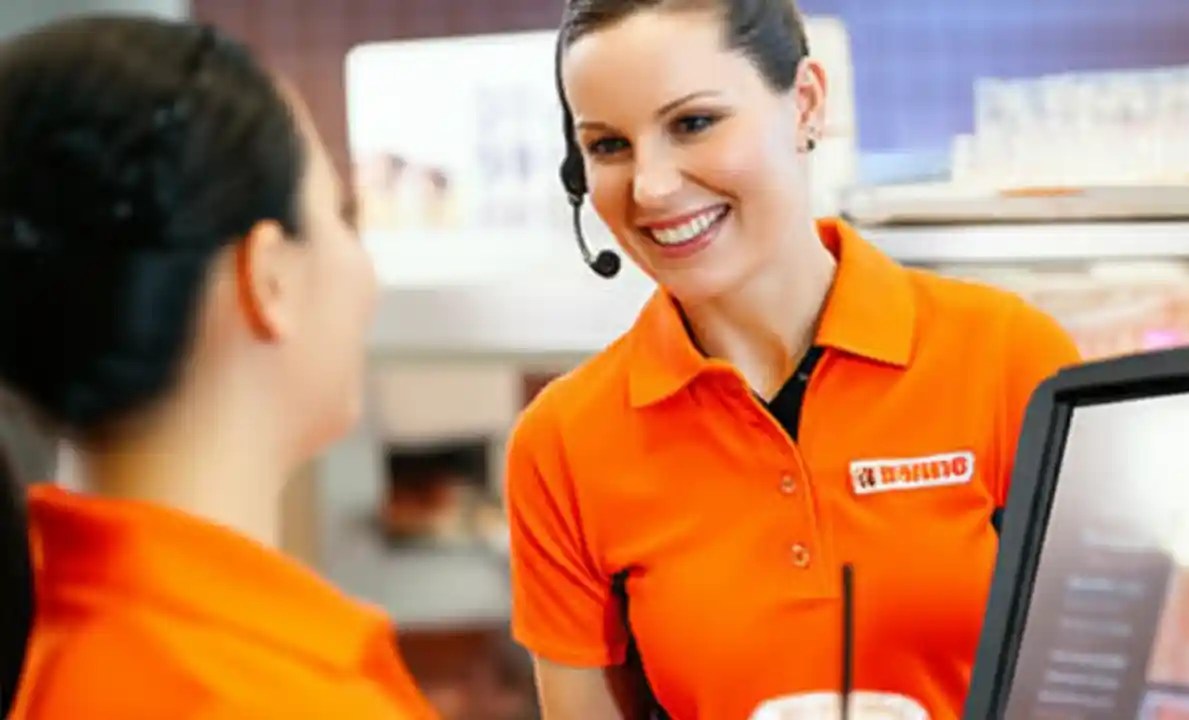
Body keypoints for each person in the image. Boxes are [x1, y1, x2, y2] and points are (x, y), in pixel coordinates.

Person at [503, 1, 1082, 718]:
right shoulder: (563, 444)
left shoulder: (1007, 359)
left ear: (805, 103)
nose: (650, 186)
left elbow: (1098, 672)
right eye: (608, 146)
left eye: (693, 123)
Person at [0, 16, 438, 719]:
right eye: (340, 215)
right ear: (269, 279)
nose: (366, 274)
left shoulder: (64, 648)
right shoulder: (274, 698)